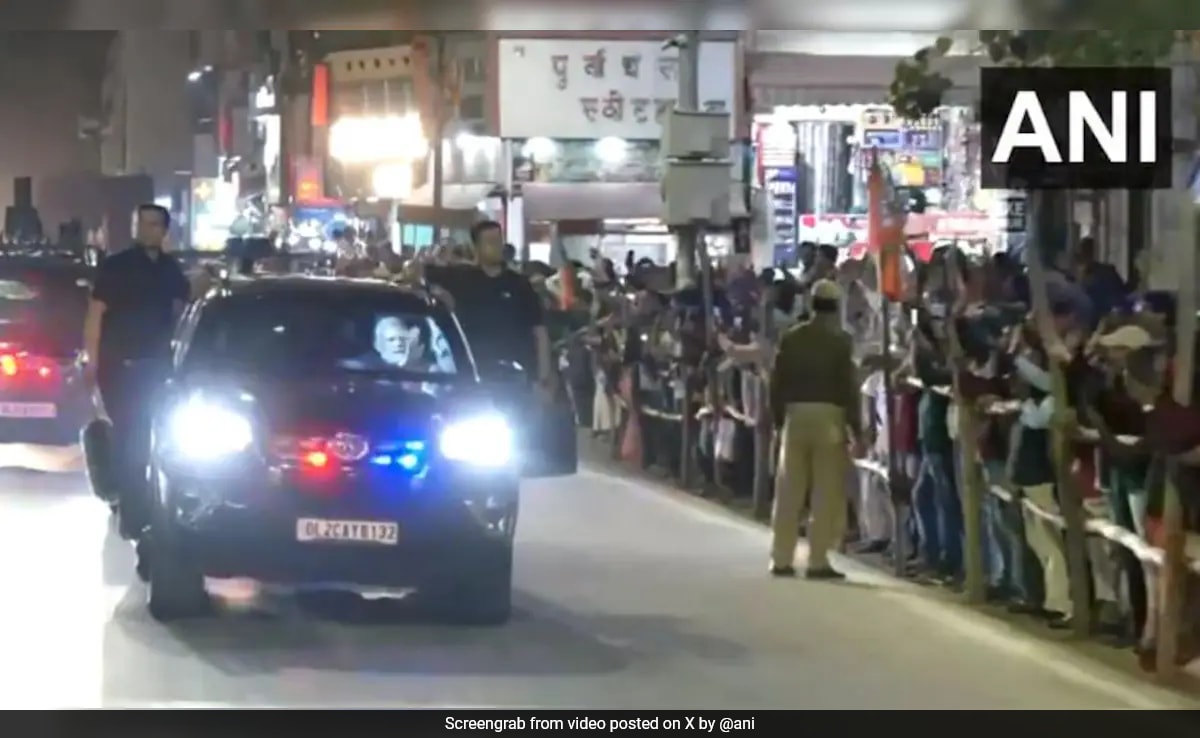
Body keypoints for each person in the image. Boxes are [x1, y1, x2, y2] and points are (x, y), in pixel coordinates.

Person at [83, 204, 191, 539]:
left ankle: (140, 509)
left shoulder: (171, 270)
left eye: (155, 225)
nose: (149, 230)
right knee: (131, 441)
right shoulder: (116, 267)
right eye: (143, 224)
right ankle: (132, 517)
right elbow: (95, 315)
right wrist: (92, 361)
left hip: (158, 370)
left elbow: (183, 312)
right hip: (122, 369)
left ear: (164, 230)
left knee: (150, 444)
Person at [769, 279, 863, 579]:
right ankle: (817, 560)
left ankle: (781, 558)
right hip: (830, 418)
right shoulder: (841, 341)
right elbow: (849, 388)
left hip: (795, 416)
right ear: (836, 307)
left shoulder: (791, 337)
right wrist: (856, 428)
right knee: (825, 492)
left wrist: (776, 419)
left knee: (788, 491)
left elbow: (777, 381)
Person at [423, 221, 553, 392]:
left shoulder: (519, 284)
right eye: (490, 242)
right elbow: (420, 277)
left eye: (499, 241)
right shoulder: (461, 279)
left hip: (515, 377)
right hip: (474, 376)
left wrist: (543, 378)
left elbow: (539, 331)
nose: (497, 247)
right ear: (476, 247)